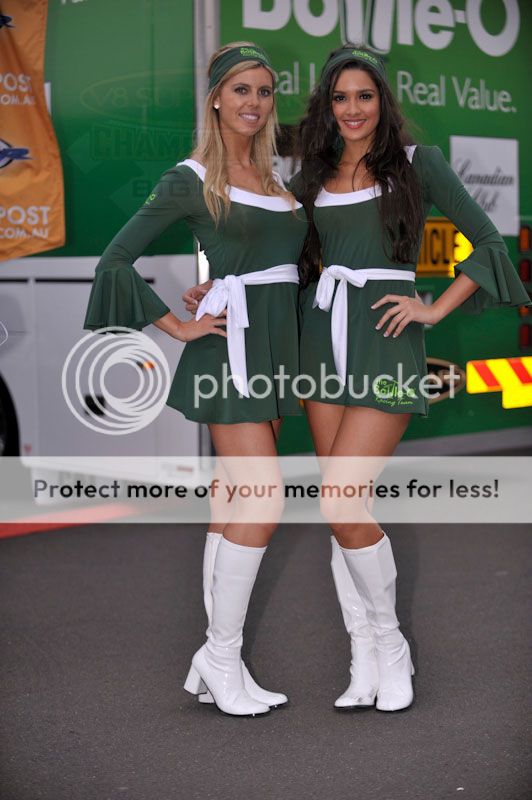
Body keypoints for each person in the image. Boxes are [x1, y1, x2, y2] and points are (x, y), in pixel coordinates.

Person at [292, 44, 531, 712]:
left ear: (383, 101)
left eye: (364, 96)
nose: (352, 109)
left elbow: (487, 243)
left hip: (388, 342)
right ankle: (361, 654)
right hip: (322, 339)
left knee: (341, 501)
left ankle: (391, 644)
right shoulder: (311, 172)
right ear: (325, 105)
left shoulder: (417, 165)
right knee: (343, 509)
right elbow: (284, 258)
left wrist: (431, 305)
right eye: (340, 97)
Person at [83, 42, 308, 716]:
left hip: (270, 352)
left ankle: (222, 664)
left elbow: (269, 263)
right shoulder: (191, 177)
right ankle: (218, 653)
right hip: (226, 354)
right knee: (264, 503)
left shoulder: (276, 182)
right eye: (240, 89)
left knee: (235, 501)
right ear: (215, 98)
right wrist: (176, 325)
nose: (253, 103)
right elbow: (116, 259)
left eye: (265, 92)